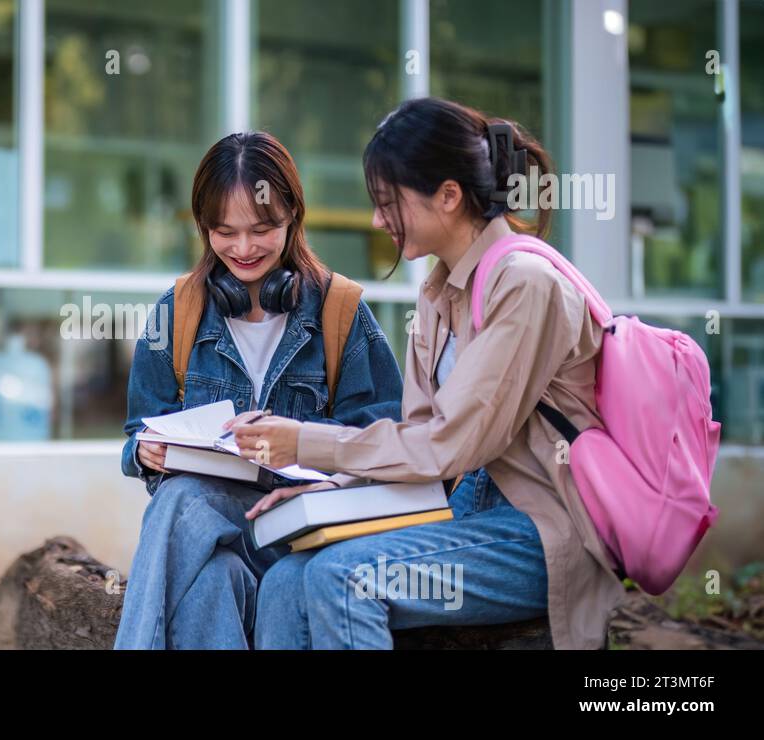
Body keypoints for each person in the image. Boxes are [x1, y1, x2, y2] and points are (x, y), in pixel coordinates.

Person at [231, 97, 625, 650]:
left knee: (344, 578)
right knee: (283, 582)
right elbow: (415, 439)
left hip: (540, 531)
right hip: (461, 516)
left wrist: (305, 444)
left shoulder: (525, 284)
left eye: (389, 202)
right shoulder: (438, 293)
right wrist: (330, 487)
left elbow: (449, 446)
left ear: (448, 194)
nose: (376, 220)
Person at [114, 131, 403, 649]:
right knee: (209, 580)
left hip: (302, 525)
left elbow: (387, 429)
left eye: (262, 229)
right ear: (204, 228)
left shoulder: (341, 311)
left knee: (180, 501)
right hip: (216, 523)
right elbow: (138, 431)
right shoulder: (177, 311)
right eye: (225, 232)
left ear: (293, 216)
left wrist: (302, 441)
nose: (243, 250)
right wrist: (146, 450)